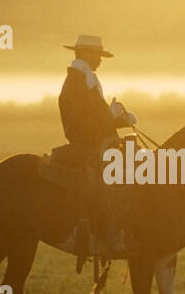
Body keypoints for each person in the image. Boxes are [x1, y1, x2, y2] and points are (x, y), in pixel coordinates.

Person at [58, 34, 137, 258]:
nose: (100, 60)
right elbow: (86, 123)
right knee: (113, 177)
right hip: (87, 143)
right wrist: (116, 118)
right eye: (98, 55)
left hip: (93, 140)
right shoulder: (79, 81)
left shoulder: (83, 79)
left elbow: (94, 118)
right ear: (85, 54)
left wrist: (116, 118)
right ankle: (108, 232)